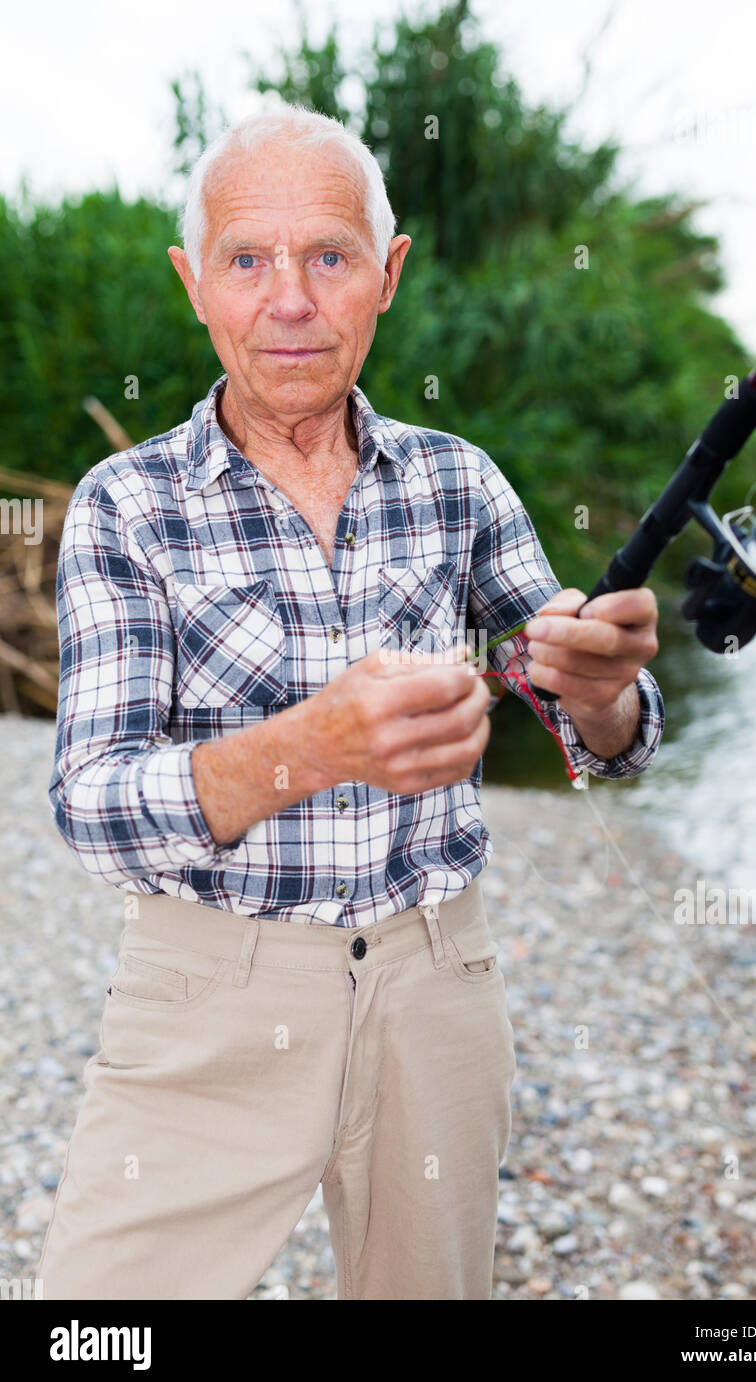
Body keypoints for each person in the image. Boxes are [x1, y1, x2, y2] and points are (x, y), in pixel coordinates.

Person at [37, 103, 664, 1301]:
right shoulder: (125, 504)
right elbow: (93, 805)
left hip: (437, 983)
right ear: (193, 282)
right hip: (205, 994)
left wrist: (603, 689)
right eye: (246, 259)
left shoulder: (456, 478)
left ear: (387, 275)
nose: (289, 300)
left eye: (327, 256)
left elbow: (604, 735)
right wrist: (308, 746)